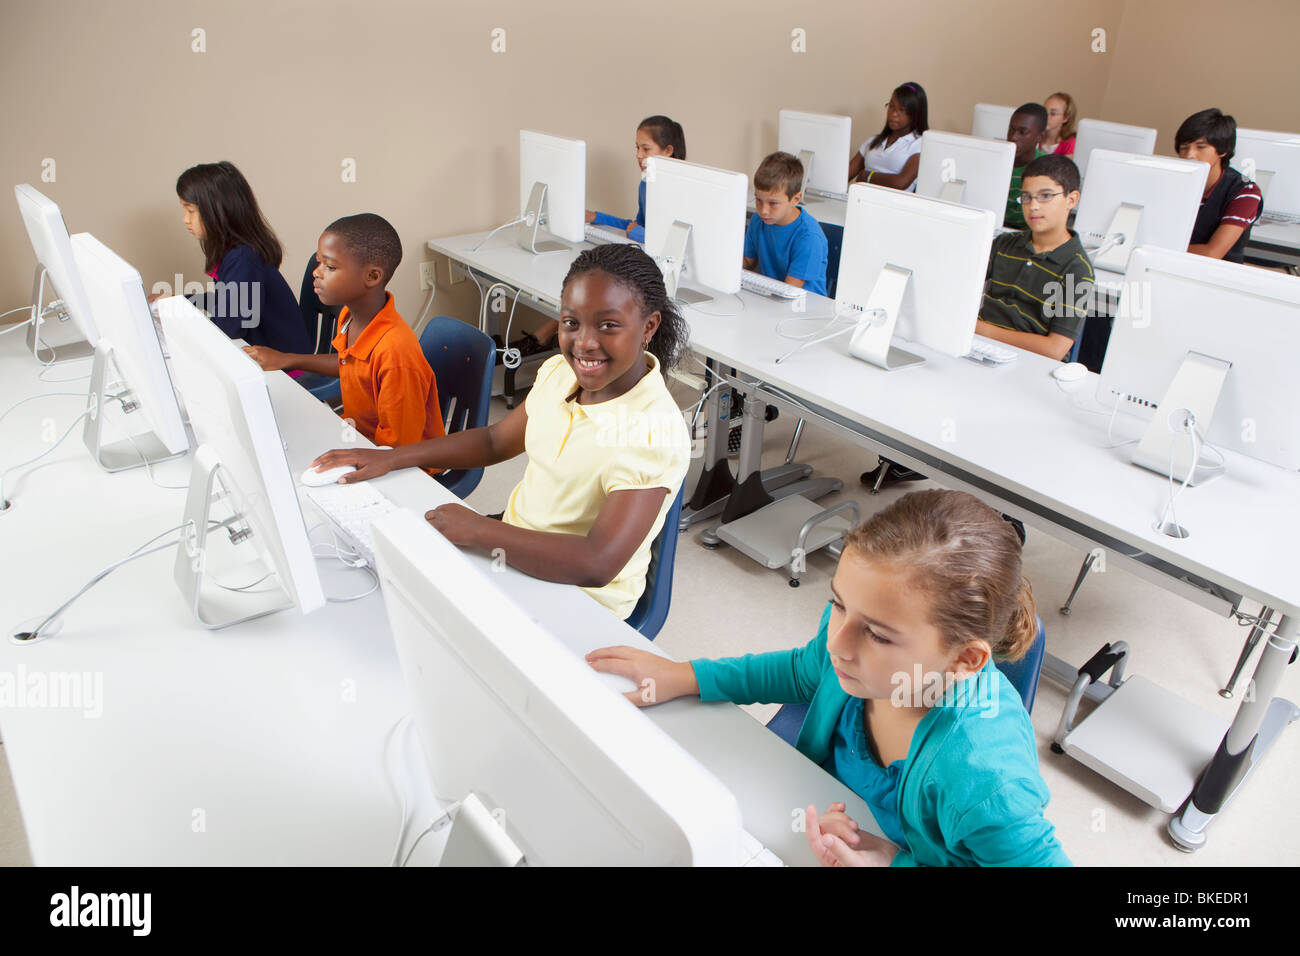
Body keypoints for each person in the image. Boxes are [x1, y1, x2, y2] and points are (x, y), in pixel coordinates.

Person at [586, 489, 1071, 867]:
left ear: (965, 660)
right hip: (810, 813)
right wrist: (686, 675)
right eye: (838, 604)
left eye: (878, 635)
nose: (838, 642)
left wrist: (896, 862)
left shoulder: (986, 780)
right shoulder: (849, 637)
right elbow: (804, 670)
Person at [309, 243, 691, 621]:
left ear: (649, 326)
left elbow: (598, 561)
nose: (584, 343)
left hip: (580, 603)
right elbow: (494, 441)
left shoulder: (652, 430)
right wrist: (393, 456)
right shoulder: (559, 373)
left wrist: (479, 531)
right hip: (513, 549)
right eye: (571, 323)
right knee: (378, 581)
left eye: (608, 325)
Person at [244, 214, 445, 454]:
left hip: (396, 463)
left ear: (372, 276)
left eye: (329, 266)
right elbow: (347, 365)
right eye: (319, 263)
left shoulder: (395, 353)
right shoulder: (349, 316)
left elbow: (398, 450)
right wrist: (287, 358)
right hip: (359, 437)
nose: (316, 273)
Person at [518, 116, 687, 356]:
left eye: (645, 149)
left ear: (668, 151)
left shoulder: (680, 190)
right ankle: (543, 337)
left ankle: (542, 338)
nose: (638, 155)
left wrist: (637, 232)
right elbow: (635, 225)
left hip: (668, 269)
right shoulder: (646, 183)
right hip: (652, 261)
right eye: (636, 148)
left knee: (600, 289)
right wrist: (598, 217)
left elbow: (663, 238)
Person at [167, 161, 311, 354]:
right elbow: (225, 302)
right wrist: (177, 303)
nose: (185, 219)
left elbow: (229, 327)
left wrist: (184, 321)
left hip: (285, 370)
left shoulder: (243, 258)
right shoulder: (233, 253)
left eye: (190, 210)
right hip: (266, 356)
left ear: (218, 210)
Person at [977, 154, 1093, 361]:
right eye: (1027, 197)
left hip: (1030, 364)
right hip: (981, 349)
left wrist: (984, 331)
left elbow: (1055, 349)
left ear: (1072, 199)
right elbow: (964, 285)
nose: (1034, 206)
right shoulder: (1005, 244)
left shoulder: (1077, 268)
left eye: (1045, 196)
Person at [1175, 108, 1263, 263]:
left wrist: (1154, 247)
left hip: (1217, 277)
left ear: (1222, 150)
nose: (1189, 155)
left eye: (1200, 147)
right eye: (1184, 147)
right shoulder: (1173, 182)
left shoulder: (1245, 191)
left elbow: (1211, 253)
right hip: (1167, 266)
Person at [744, 151, 829, 295]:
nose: (763, 211)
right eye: (758, 200)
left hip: (801, 309)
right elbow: (747, 261)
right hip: (770, 298)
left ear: (795, 200)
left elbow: (788, 291)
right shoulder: (758, 221)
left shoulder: (809, 237)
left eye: (773, 203)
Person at [848, 82, 928, 192]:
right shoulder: (873, 142)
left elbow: (901, 182)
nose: (894, 114)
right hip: (860, 200)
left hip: (892, 206)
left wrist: (866, 175)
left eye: (902, 110)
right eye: (891, 106)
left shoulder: (919, 144)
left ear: (915, 114)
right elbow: (844, 175)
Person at [1004, 104, 1048, 228]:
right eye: (1011, 130)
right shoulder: (997, 161)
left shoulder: (1047, 168)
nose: (1013, 137)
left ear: (1040, 137)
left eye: (1022, 132)